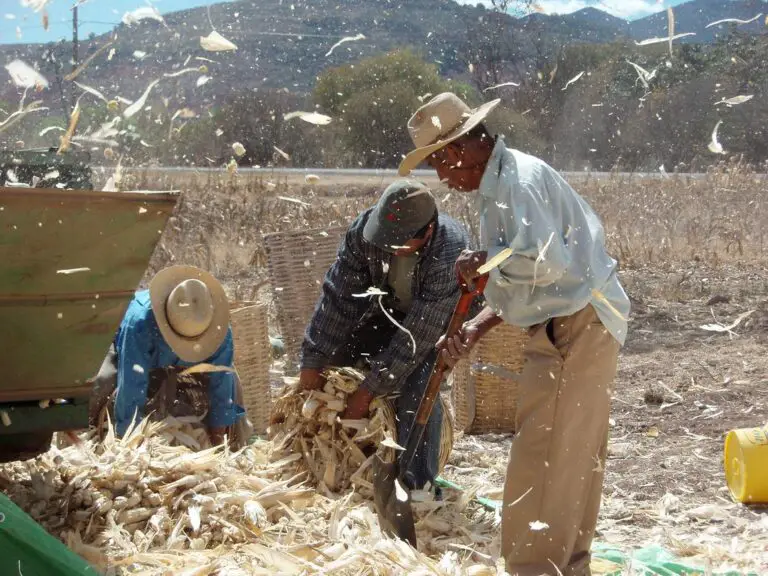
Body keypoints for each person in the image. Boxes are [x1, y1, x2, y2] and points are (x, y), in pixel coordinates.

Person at [399, 93, 630, 576]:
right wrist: (475, 326)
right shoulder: (498, 184)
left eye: (439, 163)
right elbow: (524, 277)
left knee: (546, 457)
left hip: (580, 324)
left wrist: (483, 262)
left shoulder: (518, 182)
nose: (441, 178)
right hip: (571, 321)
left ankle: (536, 569)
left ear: (459, 149)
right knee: (570, 455)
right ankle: (570, 567)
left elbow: (546, 265)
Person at [299, 179, 472, 492]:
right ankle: (334, 463)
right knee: (337, 358)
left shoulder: (450, 251)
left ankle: (416, 485)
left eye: (399, 244)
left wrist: (366, 393)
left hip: (439, 323)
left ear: (427, 232)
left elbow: (416, 338)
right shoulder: (364, 232)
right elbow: (338, 298)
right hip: (389, 310)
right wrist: (312, 360)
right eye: (385, 241)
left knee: (419, 387)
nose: (388, 248)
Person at [89, 265, 250, 447]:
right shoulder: (140, 323)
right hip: (129, 352)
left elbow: (221, 384)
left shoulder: (217, 330)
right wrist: (128, 444)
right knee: (101, 384)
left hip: (189, 365)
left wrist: (218, 444)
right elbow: (131, 386)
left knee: (234, 388)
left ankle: (237, 444)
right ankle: (91, 439)